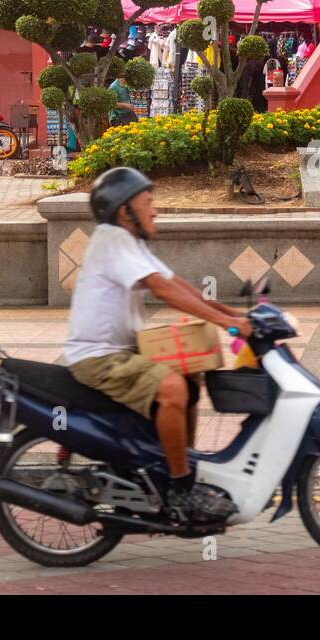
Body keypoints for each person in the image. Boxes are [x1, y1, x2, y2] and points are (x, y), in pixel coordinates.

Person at [65, 167, 250, 524]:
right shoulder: (112, 239)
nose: (156, 211)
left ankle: (181, 462)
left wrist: (234, 315)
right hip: (98, 357)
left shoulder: (128, 241)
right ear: (125, 210)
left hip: (124, 350)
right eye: (149, 203)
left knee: (191, 369)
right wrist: (229, 325)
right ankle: (180, 489)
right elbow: (162, 291)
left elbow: (175, 284)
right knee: (171, 388)